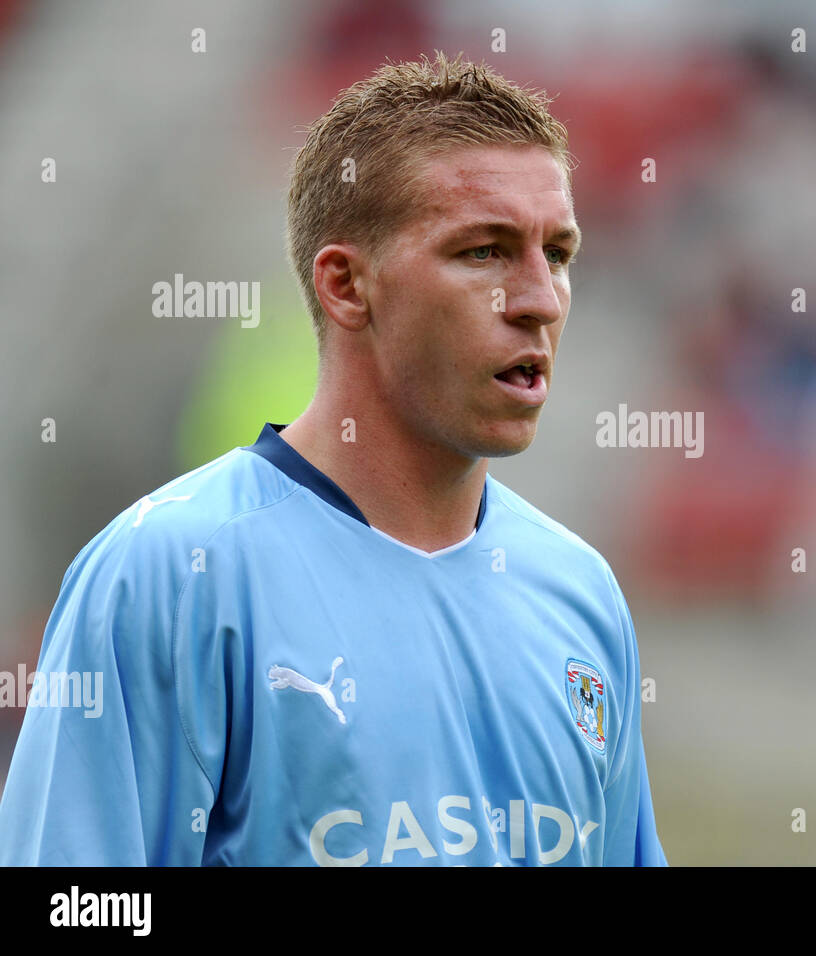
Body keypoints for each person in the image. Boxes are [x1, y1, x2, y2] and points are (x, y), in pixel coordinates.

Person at [0, 53, 668, 867]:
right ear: (348, 287)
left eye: (557, 254)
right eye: (485, 252)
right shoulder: (167, 575)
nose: (538, 299)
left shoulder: (581, 592)